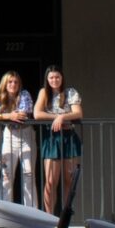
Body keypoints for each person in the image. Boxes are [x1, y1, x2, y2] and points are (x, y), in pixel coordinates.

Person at [0, 70, 37, 207]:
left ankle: (31, 212)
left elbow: (22, 115)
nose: (13, 84)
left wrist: (5, 115)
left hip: (26, 135)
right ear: (5, 84)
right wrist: (6, 116)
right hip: (9, 135)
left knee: (28, 175)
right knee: (6, 177)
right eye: (10, 82)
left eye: (16, 82)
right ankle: (6, 213)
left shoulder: (24, 95)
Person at [34, 65, 83, 215]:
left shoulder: (70, 92)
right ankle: (49, 216)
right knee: (50, 181)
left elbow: (78, 113)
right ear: (47, 79)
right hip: (52, 138)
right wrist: (57, 117)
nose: (54, 80)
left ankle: (65, 215)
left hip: (69, 137)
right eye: (51, 78)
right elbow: (37, 114)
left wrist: (62, 117)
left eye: (57, 77)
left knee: (69, 179)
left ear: (62, 78)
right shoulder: (44, 92)